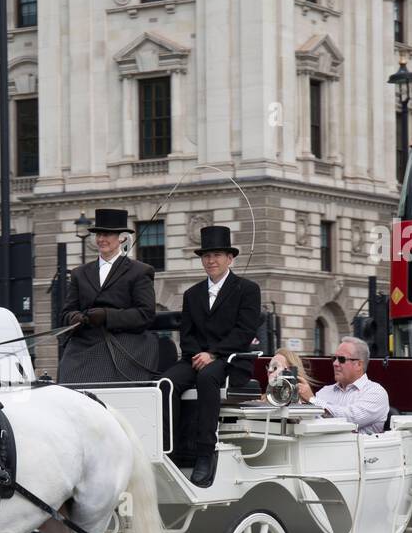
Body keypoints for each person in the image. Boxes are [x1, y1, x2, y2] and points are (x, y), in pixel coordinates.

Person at [160, 225, 261, 488]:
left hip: (232, 359)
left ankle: (204, 452)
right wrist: (197, 355)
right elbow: (187, 334)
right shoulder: (192, 294)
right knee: (166, 383)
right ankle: (169, 449)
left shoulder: (247, 289)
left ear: (230, 258)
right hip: (196, 358)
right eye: (206, 256)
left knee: (207, 379)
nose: (211, 261)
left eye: (217, 255)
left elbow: (245, 330)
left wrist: (213, 354)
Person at [57, 208, 158, 383]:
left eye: (107, 235)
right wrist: (74, 318)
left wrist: (107, 316)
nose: (101, 239)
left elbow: (145, 315)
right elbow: (65, 313)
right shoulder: (79, 273)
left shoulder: (140, 271)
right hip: (85, 342)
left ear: (121, 238)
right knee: (68, 378)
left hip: (124, 341)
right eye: (98, 235)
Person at [306, 336, 390, 435]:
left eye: (341, 359)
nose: (335, 363)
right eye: (334, 358)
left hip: (358, 449)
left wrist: (312, 400)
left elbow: (349, 419)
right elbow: (311, 423)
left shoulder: (376, 392)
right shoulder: (324, 392)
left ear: (358, 364)